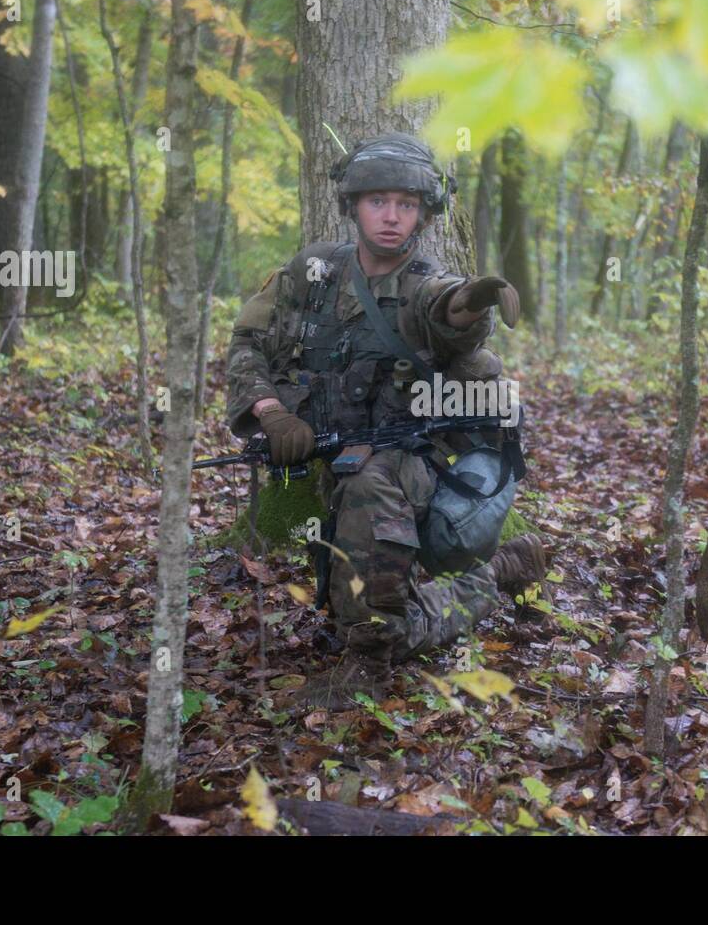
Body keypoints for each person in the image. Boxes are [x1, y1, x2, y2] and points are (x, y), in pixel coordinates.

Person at [224, 132, 546, 710]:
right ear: (353, 206)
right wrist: (271, 415)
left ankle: (370, 657)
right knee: (346, 504)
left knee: (368, 502)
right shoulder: (312, 270)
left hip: (413, 464)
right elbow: (248, 341)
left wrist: (475, 301)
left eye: (406, 204)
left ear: (424, 215)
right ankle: (489, 572)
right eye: (378, 202)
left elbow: (448, 311)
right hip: (327, 456)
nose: (392, 217)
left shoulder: (425, 283)